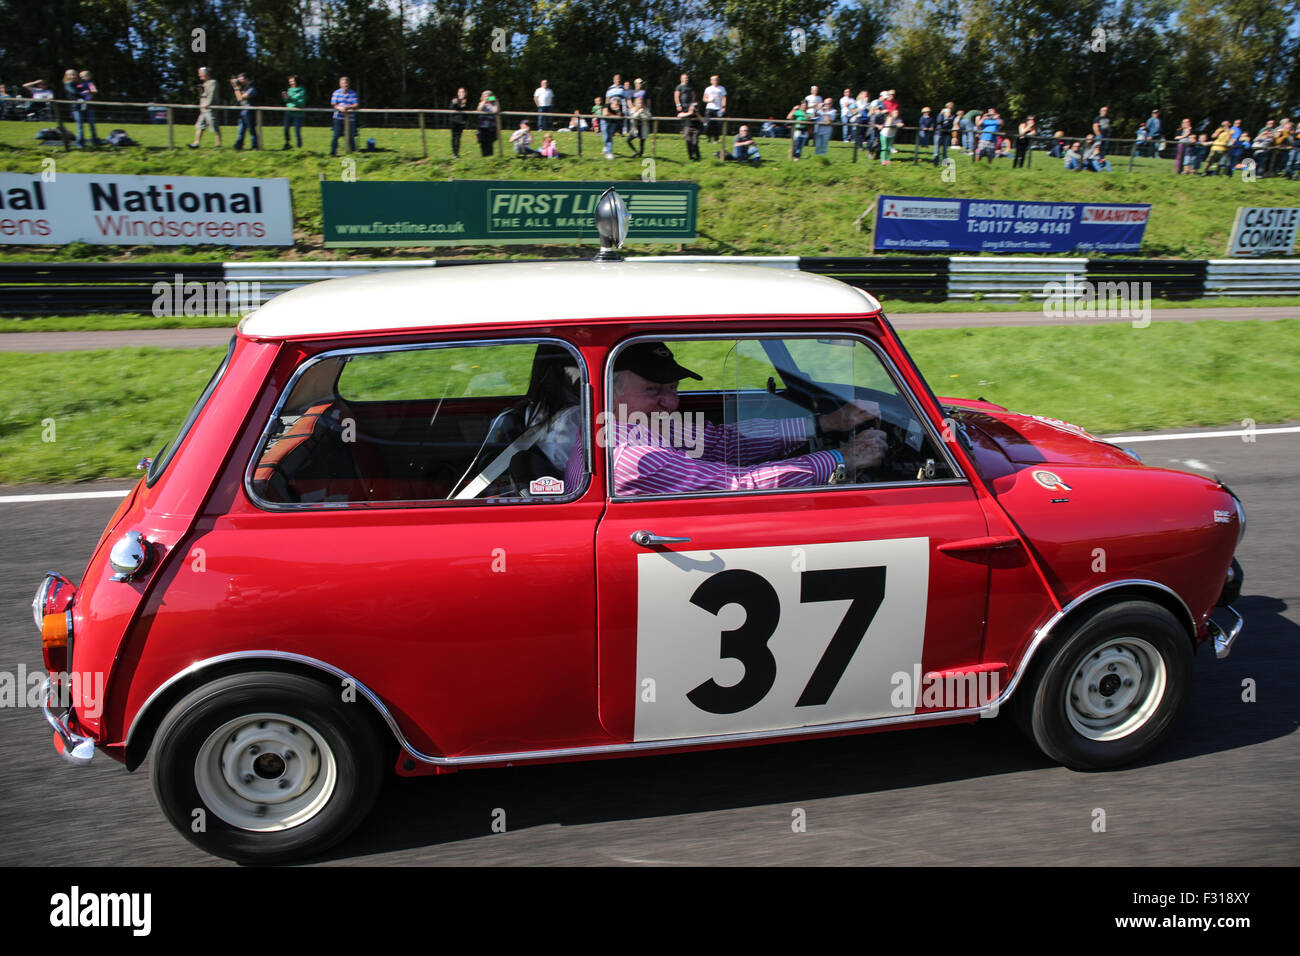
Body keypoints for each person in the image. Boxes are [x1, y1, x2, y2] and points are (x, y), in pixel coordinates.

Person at [577, 342, 886, 496]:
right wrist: (841, 458)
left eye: (673, 388)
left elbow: (724, 442)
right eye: (652, 389)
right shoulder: (638, 457)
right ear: (610, 390)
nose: (670, 403)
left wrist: (824, 423)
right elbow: (740, 484)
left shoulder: (623, 423)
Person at [188, 67, 221, 148]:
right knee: (199, 126)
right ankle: (196, 143)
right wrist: (200, 91)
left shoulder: (213, 82)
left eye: (200, 73)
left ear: (206, 74)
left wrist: (207, 104)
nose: (199, 75)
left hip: (210, 109)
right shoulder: (204, 84)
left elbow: (212, 95)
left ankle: (218, 145)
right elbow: (203, 96)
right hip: (203, 109)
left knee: (214, 126)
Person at [69, 68, 100, 146]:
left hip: (88, 105)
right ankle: (80, 142)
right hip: (80, 105)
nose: (82, 78)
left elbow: (95, 91)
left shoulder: (90, 83)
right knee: (80, 125)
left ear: (89, 76)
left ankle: (94, 140)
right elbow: (76, 91)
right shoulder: (79, 83)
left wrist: (89, 92)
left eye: (84, 76)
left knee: (91, 124)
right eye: (81, 76)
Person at [329, 76, 359, 156]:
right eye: (343, 83)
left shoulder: (353, 93)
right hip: (338, 117)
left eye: (346, 83)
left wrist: (347, 108)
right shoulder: (336, 93)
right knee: (336, 135)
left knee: (351, 136)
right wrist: (339, 107)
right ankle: (333, 153)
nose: (345, 85)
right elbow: (333, 104)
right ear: (340, 84)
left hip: (350, 118)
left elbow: (356, 104)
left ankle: (353, 153)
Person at [232, 73, 258, 150]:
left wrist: (236, 88)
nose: (239, 81)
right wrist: (237, 88)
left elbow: (240, 98)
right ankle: (239, 145)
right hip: (243, 110)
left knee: (251, 129)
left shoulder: (252, 88)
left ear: (247, 79)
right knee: (241, 129)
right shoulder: (245, 87)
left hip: (249, 111)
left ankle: (254, 146)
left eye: (241, 79)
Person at [281, 74, 305, 149]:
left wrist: (291, 99)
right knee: (286, 129)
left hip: (298, 113)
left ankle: (299, 147)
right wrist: (286, 97)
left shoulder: (302, 90)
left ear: (296, 81)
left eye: (292, 81)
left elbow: (301, 102)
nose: (291, 83)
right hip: (289, 112)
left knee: (297, 131)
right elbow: (287, 101)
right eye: (290, 81)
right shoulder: (290, 89)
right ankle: (287, 143)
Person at [703, 74, 726, 143]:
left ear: (718, 80)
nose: (715, 81)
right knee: (708, 124)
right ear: (711, 81)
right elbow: (704, 99)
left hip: (718, 109)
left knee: (717, 124)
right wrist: (710, 100)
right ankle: (708, 137)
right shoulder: (708, 89)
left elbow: (724, 98)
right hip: (709, 108)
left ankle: (716, 139)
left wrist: (724, 107)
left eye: (716, 80)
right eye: (713, 80)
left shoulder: (722, 88)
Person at [476, 90, 498, 157]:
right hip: (482, 126)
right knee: (483, 142)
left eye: (488, 96)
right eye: (485, 96)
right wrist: (484, 101)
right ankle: (484, 156)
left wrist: (495, 101)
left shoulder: (494, 104)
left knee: (490, 142)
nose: (487, 97)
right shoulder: (481, 103)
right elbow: (479, 109)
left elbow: (495, 111)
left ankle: (490, 156)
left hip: (491, 126)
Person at [448, 87, 469, 158]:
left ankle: (457, 153)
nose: (462, 93)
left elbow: (463, 107)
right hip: (453, 121)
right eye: (460, 92)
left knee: (458, 138)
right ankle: (454, 153)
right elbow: (450, 108)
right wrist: (454, 103)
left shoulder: (466, 101)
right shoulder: (454, 100)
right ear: (458, 93)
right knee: (454, 137)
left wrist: (460, 102)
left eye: (463, 92)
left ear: (465, 93)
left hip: (461, 122)